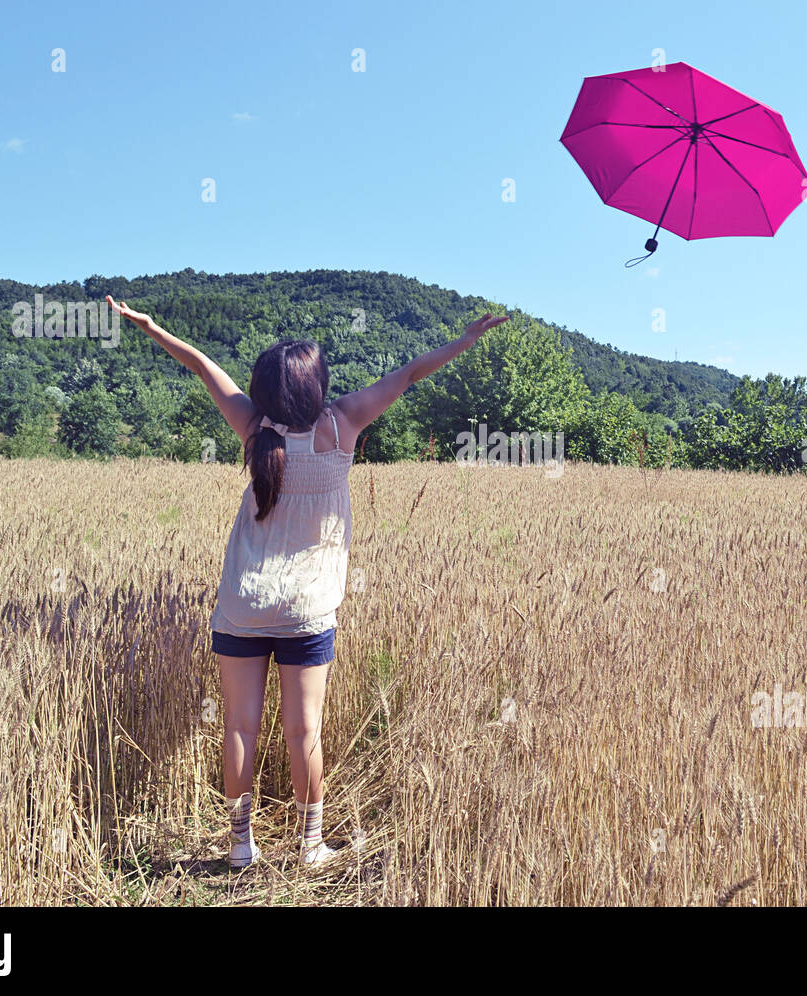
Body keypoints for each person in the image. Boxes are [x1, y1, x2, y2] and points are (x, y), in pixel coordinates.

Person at [105, 295, 507, 867]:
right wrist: (465, 340)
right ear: (316, 387)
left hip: (242, 604)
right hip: (308, 610)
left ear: (265, 390)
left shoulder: (252, 428)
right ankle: (310, 843)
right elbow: (411, 373)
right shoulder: (341, 424)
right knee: (304, 729)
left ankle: (241, 846)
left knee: (240, 725)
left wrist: (150, 327)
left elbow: (198, 364)